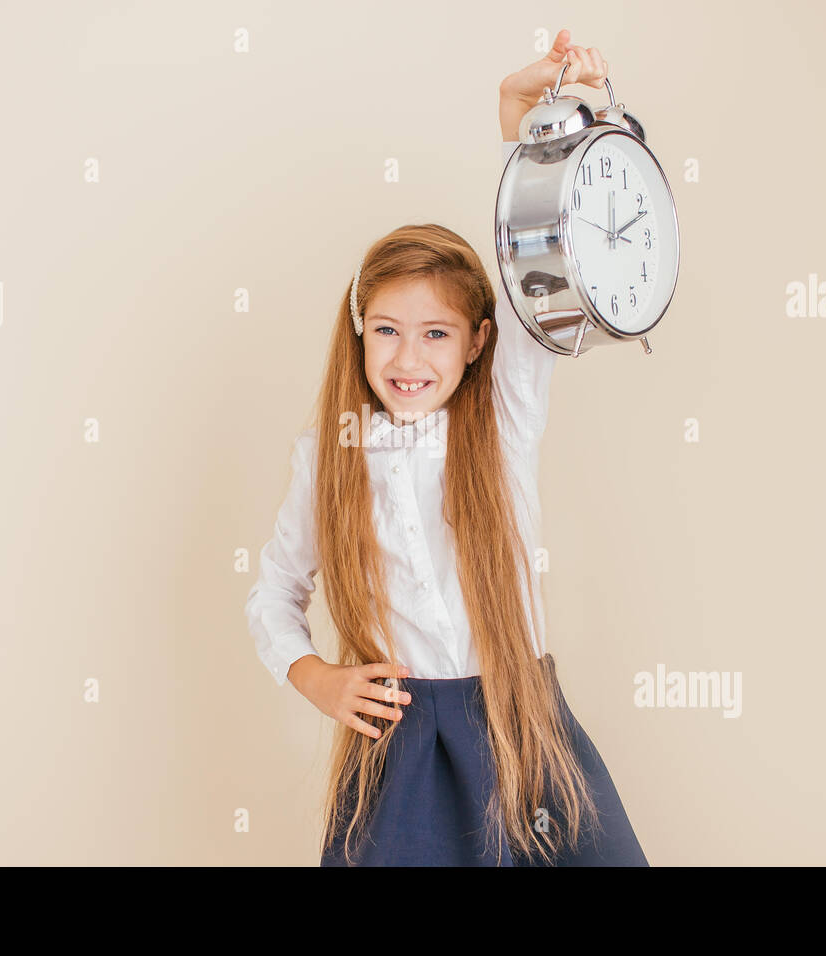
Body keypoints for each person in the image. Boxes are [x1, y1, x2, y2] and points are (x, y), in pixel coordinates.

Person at [245, 30, 648, 866]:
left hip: (521, 726)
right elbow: (275, 593)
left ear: (477, 343)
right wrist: (320, 679)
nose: (408, 357)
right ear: (358, 335)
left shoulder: (502, 413)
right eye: (386, 331)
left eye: (436, 333)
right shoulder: (330, 453)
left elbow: (527, 266)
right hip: (402, 752)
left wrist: (521, 124)